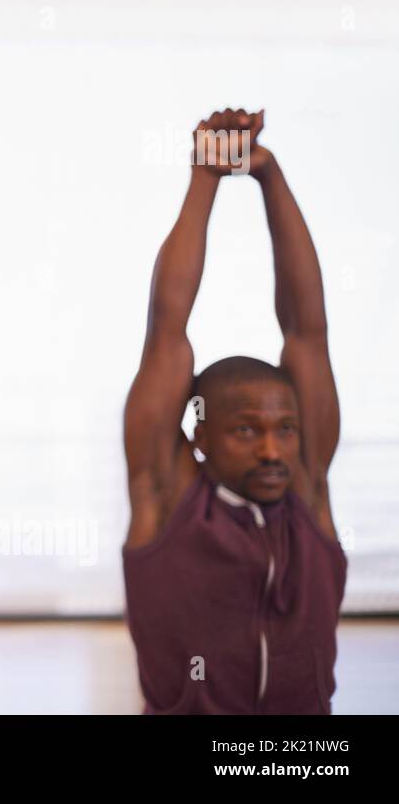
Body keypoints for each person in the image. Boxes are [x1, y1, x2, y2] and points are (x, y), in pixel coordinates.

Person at [121, 107, 346, 714]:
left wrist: (269, 176)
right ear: (200, 435)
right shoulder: (166, 495)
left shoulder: (305, 491)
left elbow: (309, 331)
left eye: (285, 430)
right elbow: (166, 328)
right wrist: (205, 177)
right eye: (246, 430)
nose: (273, 450)